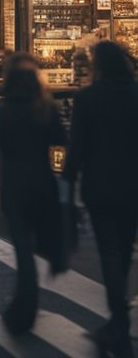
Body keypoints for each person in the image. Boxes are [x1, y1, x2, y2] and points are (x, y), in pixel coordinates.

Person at [63, 40, 138, 357]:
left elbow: (78, 145)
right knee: (123, 246)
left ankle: (118, 317)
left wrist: (67, 180)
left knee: (108, 249)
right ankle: (118, 317)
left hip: (100, 184)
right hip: (133, 184)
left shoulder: (88, 98)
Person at [0, 53, 67, 335]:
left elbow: (3, 148)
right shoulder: (45, 107)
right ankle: (29, 300)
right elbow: (61, 140)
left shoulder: (5, 109)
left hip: (14, 183)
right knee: (37, 240)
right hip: (42, 180)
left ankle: (23, 307)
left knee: (22, 249)